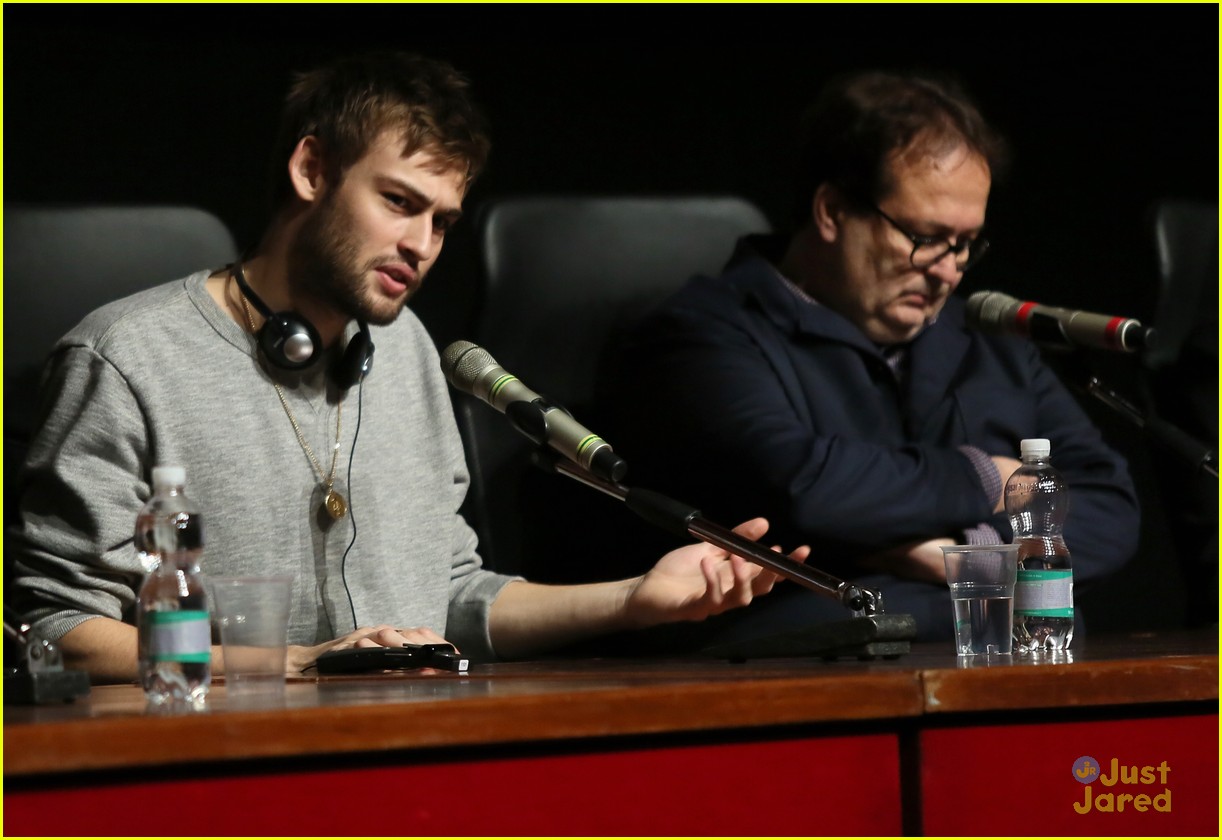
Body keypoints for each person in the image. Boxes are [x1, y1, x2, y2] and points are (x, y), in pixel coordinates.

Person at [7, 51, 808, 683]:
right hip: (216, 767)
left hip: (410, 755)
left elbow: (449, 599)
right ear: (312, 170)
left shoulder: (408, 351)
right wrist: (296, 665)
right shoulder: (126, 358)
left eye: (443, 221)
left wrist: (635, 602)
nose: (422, 246)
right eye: (399, 202)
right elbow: (57, 630)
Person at [605, 70, 1139, 643]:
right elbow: (803, 489)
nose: (947, 270)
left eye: (965, 244)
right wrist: (988, 477)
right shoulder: (701, 334)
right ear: (832, 210)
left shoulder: (988, 338)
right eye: (925, 236)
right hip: (812, 674)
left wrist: (970, 558)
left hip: (1017, 666)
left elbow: (1108, 506)